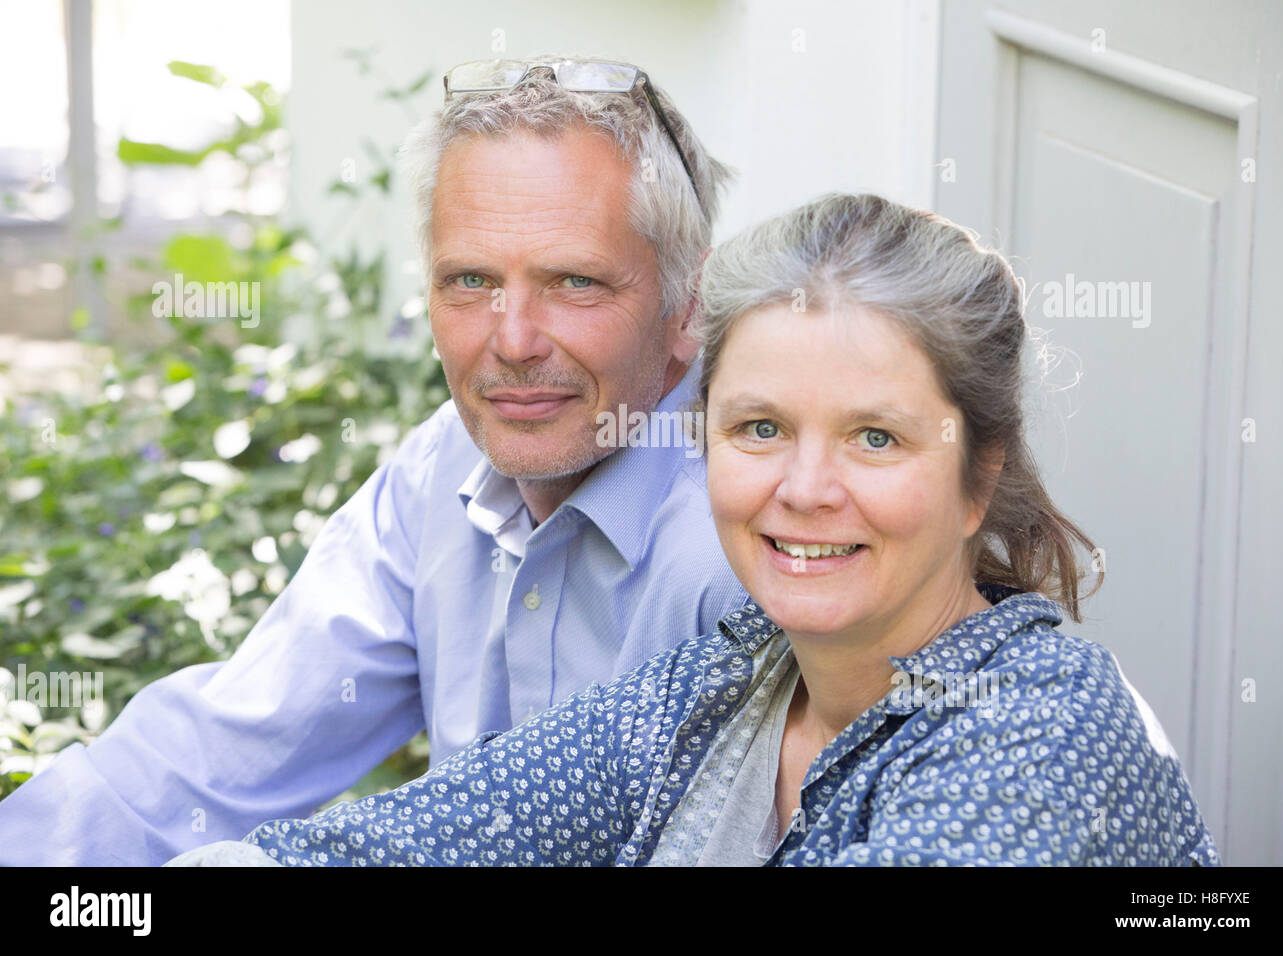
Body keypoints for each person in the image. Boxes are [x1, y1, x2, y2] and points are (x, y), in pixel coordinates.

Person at [167, 193, 1221, 867]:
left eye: (874, 438)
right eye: (759, 426)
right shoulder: (735, 677)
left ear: (977, 473)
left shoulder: (1039, 731)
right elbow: (432, 837)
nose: (805, 487)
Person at [0, 57, 750, 865]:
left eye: (574, 281)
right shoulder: (445, 466)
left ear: (688, 309)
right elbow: (223, 750)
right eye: (470, 280)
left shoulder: (751, 530)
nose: (514, 341)